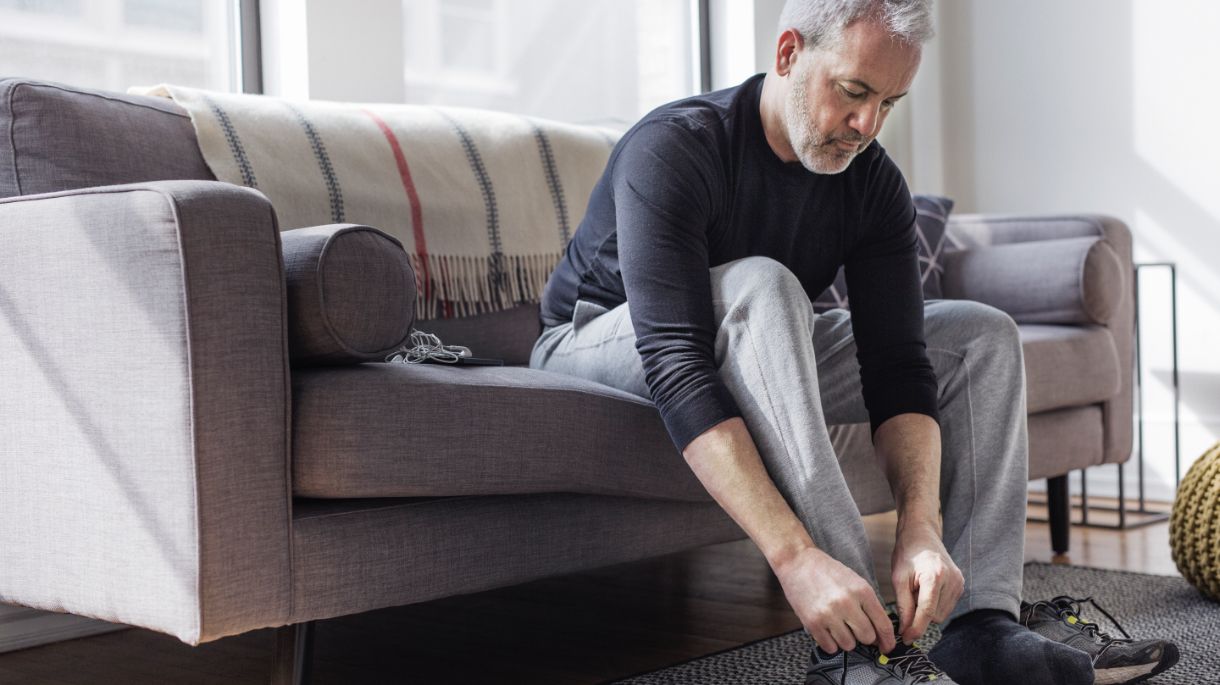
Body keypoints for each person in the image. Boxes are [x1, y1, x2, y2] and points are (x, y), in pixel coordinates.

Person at [530, 1, 1176, 683]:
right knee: (765, 284)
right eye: (854, 91)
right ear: (787, 54)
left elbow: (897, 365)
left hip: (752, 331)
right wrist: (794, 557)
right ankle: (859, 652)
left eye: (890, 103)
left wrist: (919, 525)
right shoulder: (677, 147)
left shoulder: (872, 183)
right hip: (597, 342)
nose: (867, 125)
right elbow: (677, 363)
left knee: (980, 335)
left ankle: (982, 628)